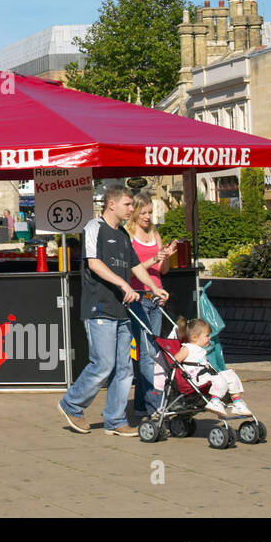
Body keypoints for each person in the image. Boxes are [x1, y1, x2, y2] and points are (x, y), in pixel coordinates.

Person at [57, 186, 162, 436]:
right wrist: (122, 283)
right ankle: (72, 403)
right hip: (100, 306)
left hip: (123, 310)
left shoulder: (124, 235)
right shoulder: (94, 227)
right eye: (127, 204)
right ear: (111, 204)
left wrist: (153, 287)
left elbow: (135, 265)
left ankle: (115, 420)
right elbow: (93, 263)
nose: (131, 209)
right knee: (103, 364)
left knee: (124, 368)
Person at [124, 193, 176, 416]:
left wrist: (165, 256)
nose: (147, 216)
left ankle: (143, 403)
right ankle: (149, 403)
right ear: (134, 212)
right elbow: (131, 269)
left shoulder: (155, 232)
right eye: (143, 212)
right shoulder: (128, 234)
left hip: (156, 294)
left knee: (154, 351)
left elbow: (162, 270)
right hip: (138, 295)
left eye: (149, 212)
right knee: (146, 351)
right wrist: (154, 259)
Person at [176, 319, 252, 416]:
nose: (209, 338)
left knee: (230, 374)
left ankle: (237, 402)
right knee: (218, 379)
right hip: (196, 379)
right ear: (194, 337)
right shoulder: (187, 348)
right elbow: (175, 361)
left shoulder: (201, 349)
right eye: (207, 336)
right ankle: (214, 401)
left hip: (207, 376)